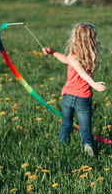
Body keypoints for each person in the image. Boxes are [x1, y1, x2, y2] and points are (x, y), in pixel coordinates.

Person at [42, 23, 106, 157]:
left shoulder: (73, 56)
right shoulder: (90, 57)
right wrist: (53, 51)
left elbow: (74, 66)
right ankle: (87, 146)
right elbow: (76, 68)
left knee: (66, 125)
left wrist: (93, 83)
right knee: (85, 129)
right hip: (83, 98)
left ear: (75, 39)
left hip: (68, 97)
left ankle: (62, 147)